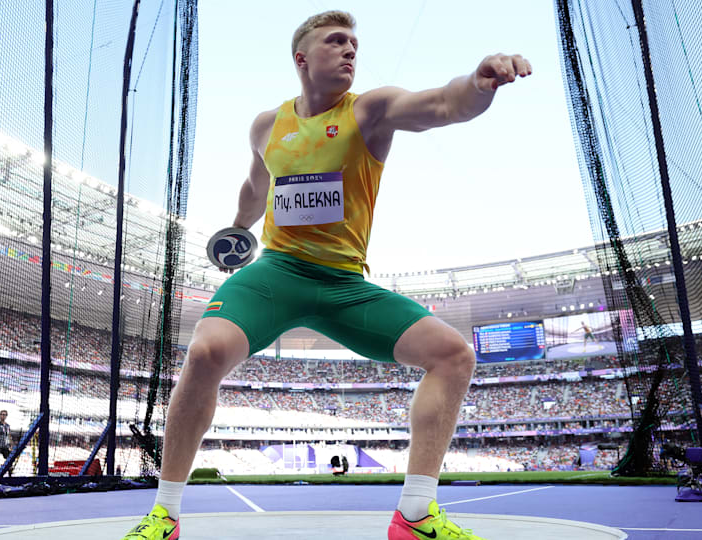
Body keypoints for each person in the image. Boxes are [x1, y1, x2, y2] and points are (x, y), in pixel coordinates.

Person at [123, 10, 530, 540]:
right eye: (336, 41)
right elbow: (256, 186)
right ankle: (165, 515)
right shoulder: (267, 125)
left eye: (354, 43)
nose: (349, 50)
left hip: (344, 284)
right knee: (204, 351)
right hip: (277, 271)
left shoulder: (371, 110)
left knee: (454, 354)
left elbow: (443, 104)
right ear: (302, 59)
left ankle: (415, 514)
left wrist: (479, 85)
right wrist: (236, 232)